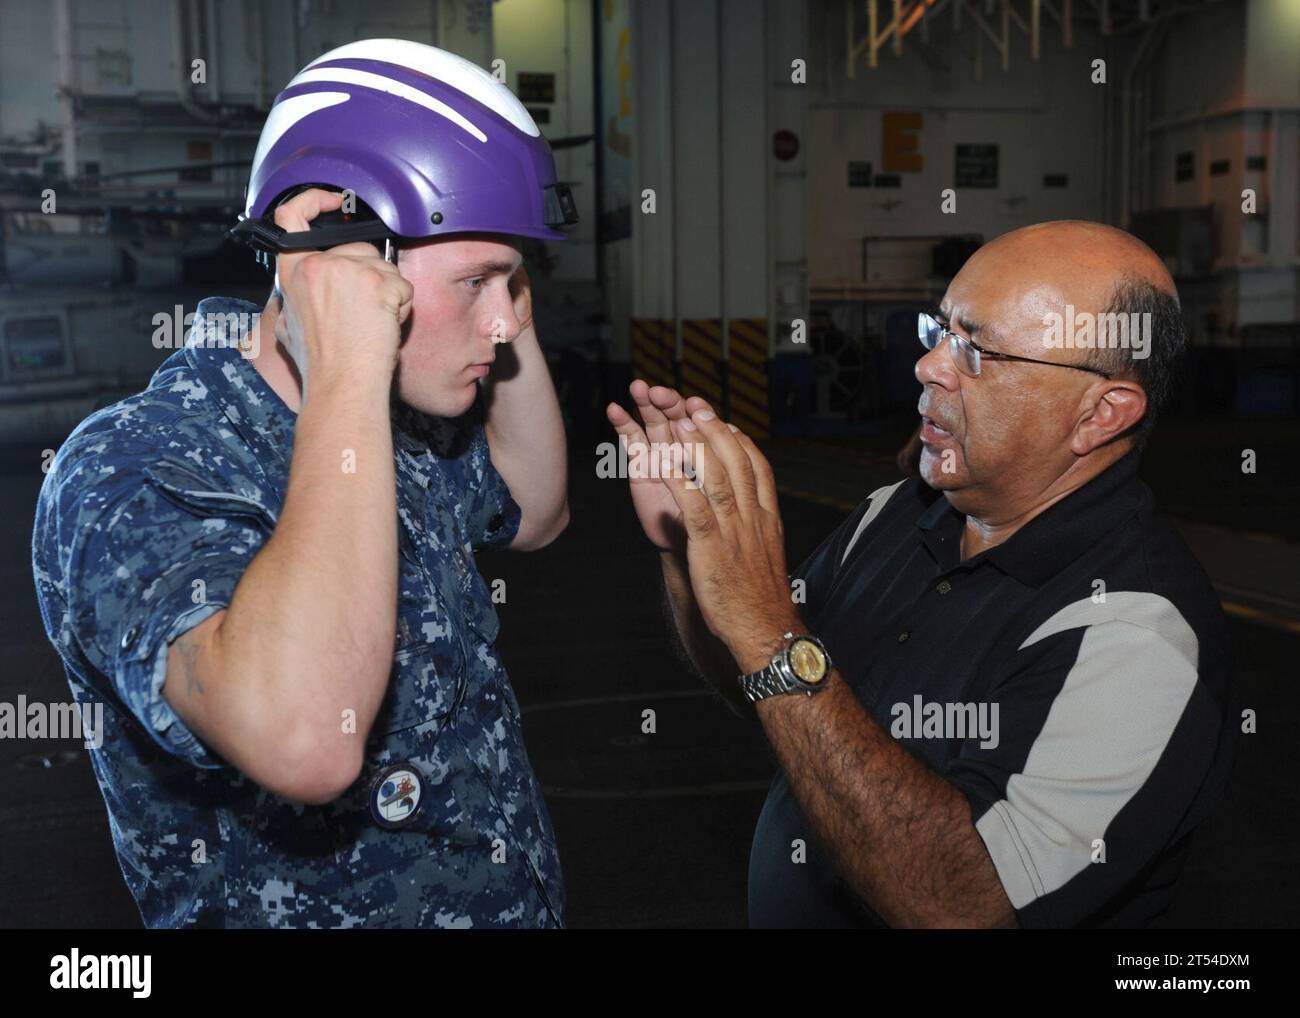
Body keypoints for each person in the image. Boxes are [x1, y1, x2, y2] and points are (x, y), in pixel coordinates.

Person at [32, 39, 575, 928]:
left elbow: (537, 508)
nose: (510, 322)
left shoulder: (409, 434)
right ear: (333, 249)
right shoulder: (130, 470)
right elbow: (306, 741)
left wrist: (495, 252)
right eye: (477, 281)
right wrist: (348, 363)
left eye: (517, 282)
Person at [608, 220, 1237, 928]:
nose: (929, 366)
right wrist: (688, 553)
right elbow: (768, 686)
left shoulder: (1133, 632)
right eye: (938, 332)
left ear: (1099, 414)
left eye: (975, 349)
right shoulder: (895, 515)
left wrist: (765, 624)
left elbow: (963, 907)